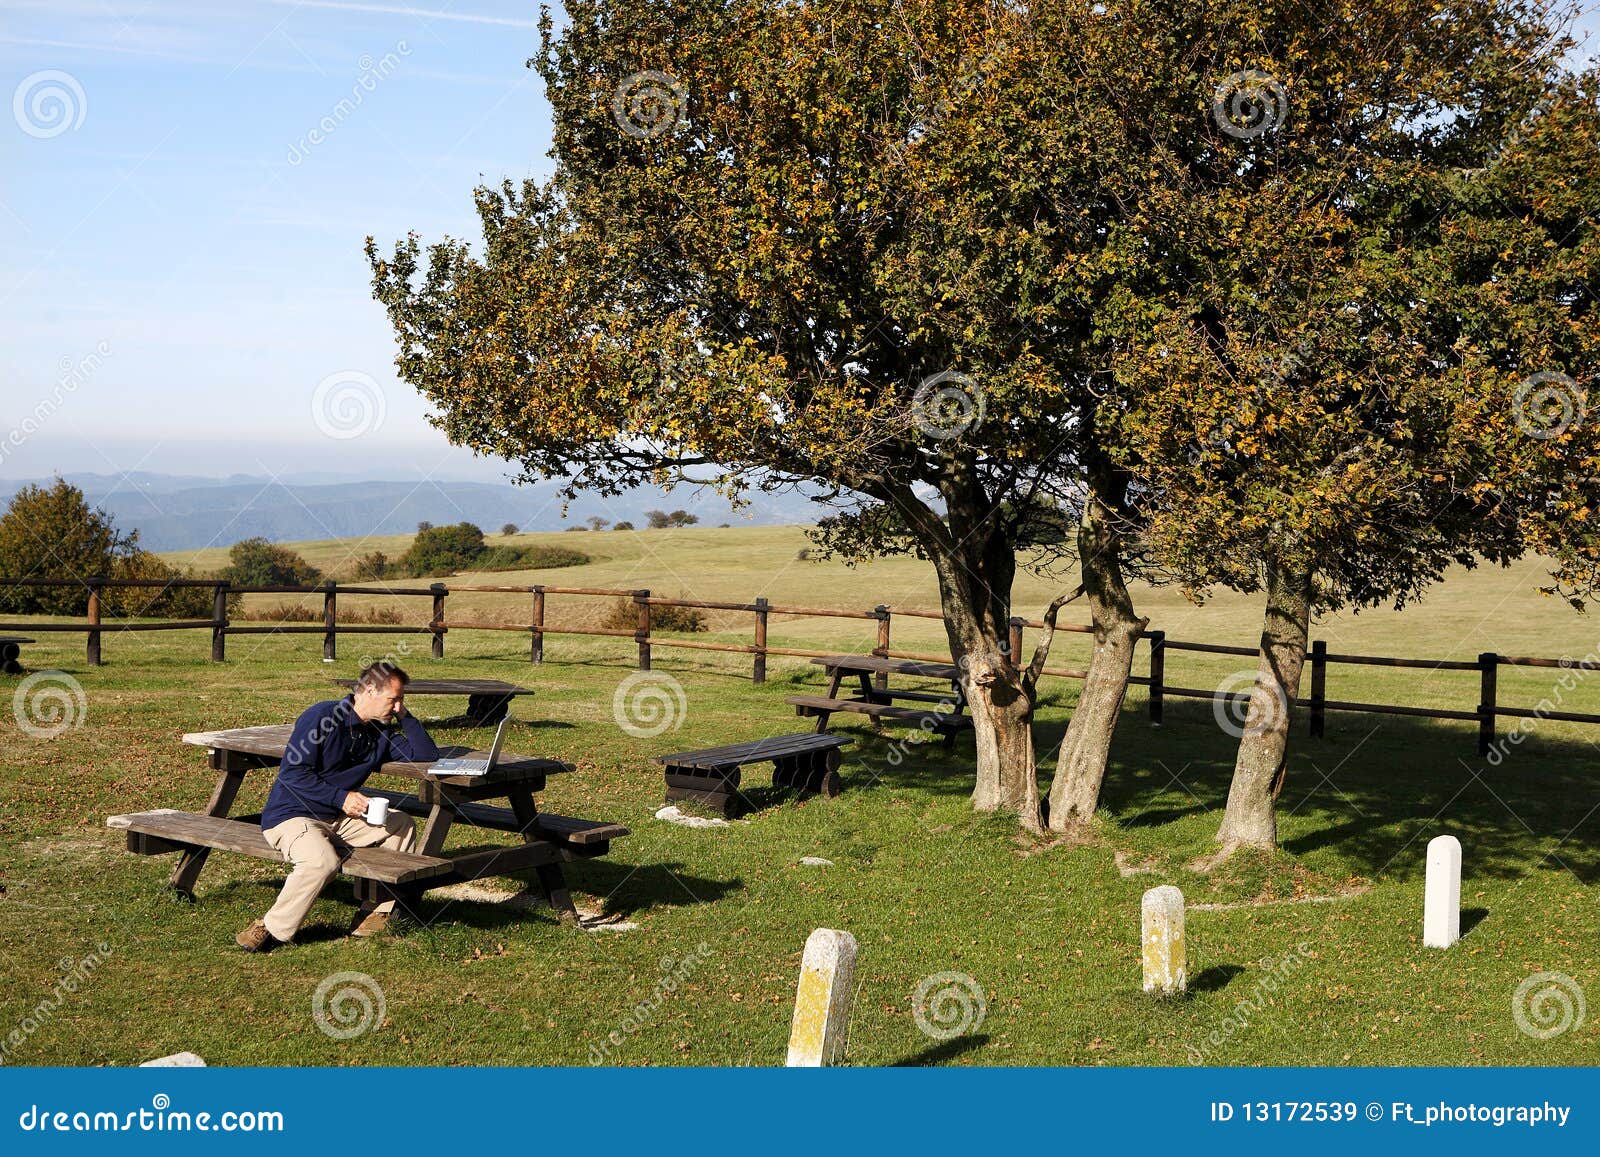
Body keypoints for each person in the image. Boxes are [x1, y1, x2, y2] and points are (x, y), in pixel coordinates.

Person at [235, 660, 439, 952]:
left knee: (400, 824)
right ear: (369, 690)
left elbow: (425, 753)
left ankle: (375, 911)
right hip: (293, 815)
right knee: (322, 862)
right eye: (393, 699)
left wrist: (403, 713)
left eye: (401, 700)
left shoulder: (379, 733)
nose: (396, 707)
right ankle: (270, 928)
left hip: (339, 819)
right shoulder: (322, 717)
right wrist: (341, 798)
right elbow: (293, 776)